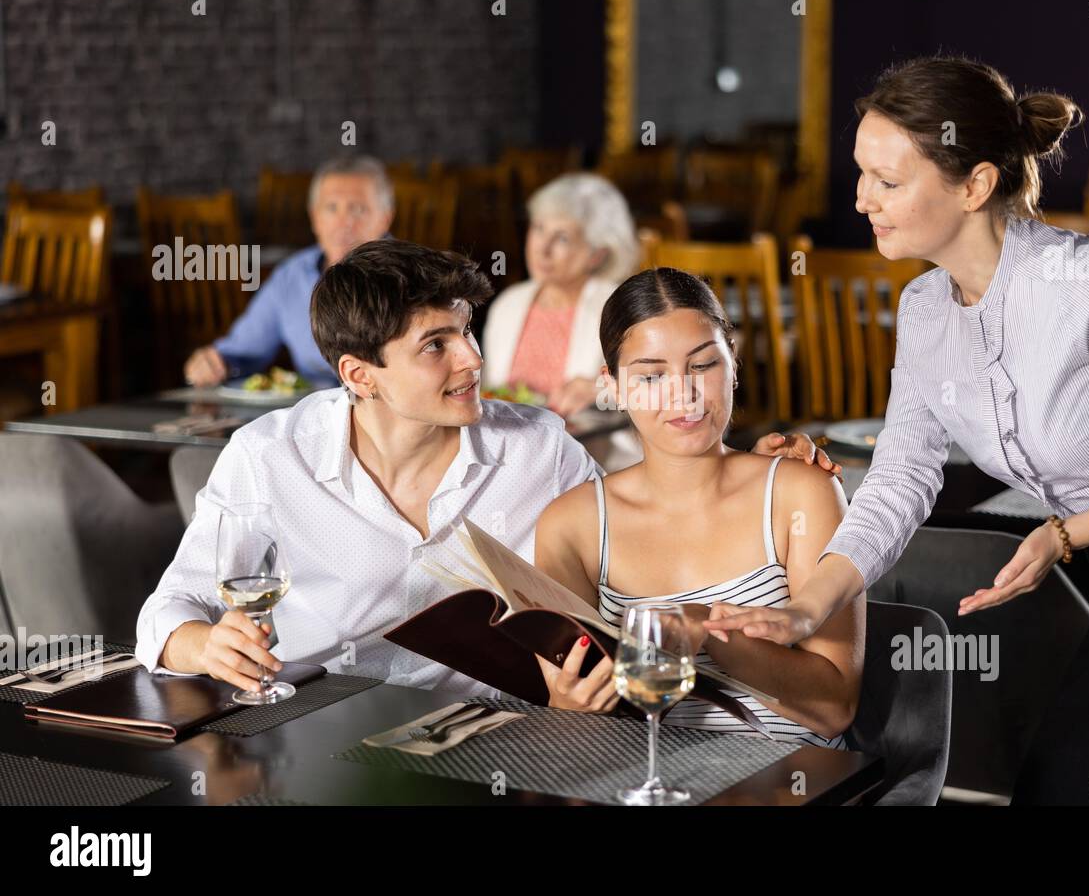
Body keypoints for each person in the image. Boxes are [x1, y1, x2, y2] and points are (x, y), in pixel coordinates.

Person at [706, 55, 1089, 804]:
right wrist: (806, 605)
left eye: (888, 182)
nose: (861, 200)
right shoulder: (923, 312)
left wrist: (1067, 533)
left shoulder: (1087, 286)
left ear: (976, 184)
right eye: (861, 174)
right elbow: (903, 476)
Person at [137, 239, 839, 696]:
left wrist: (751, 472)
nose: (473, 359)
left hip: (488, 742)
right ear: (360, 373)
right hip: (314, 719)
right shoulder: (269, 456)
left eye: (467, 330)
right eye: (436, 345)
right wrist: (205, 643)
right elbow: (168, 611)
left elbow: (642, 538)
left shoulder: (537, 447)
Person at [531, 267, 864, 747]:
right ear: (613, 387)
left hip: (789, 784)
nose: (682, 393)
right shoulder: (570, 525)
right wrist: (569, 709)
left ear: (735, 363)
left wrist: (707, 629)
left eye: (703, 365)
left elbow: (834, 709)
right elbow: (577, 718)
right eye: (650, 374)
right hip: (640, 780)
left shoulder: (801, 492)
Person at [182, 154, 395, 388]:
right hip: (316, 415)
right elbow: (242, 352)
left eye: (357, 209)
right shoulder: (292, 276)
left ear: (385, 218)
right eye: (331, 208)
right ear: (314, 218)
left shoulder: (412, 277)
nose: (343, 222)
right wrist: (214, 363)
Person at [481, 173, 640, 419]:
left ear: (597, 253)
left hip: (592, 450)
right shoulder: (508, 303)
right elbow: (490, 394)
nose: (542, 248)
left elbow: (660, 392)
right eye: (538, 228)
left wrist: (601, 392)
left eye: (562, 238)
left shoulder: (620, 309)